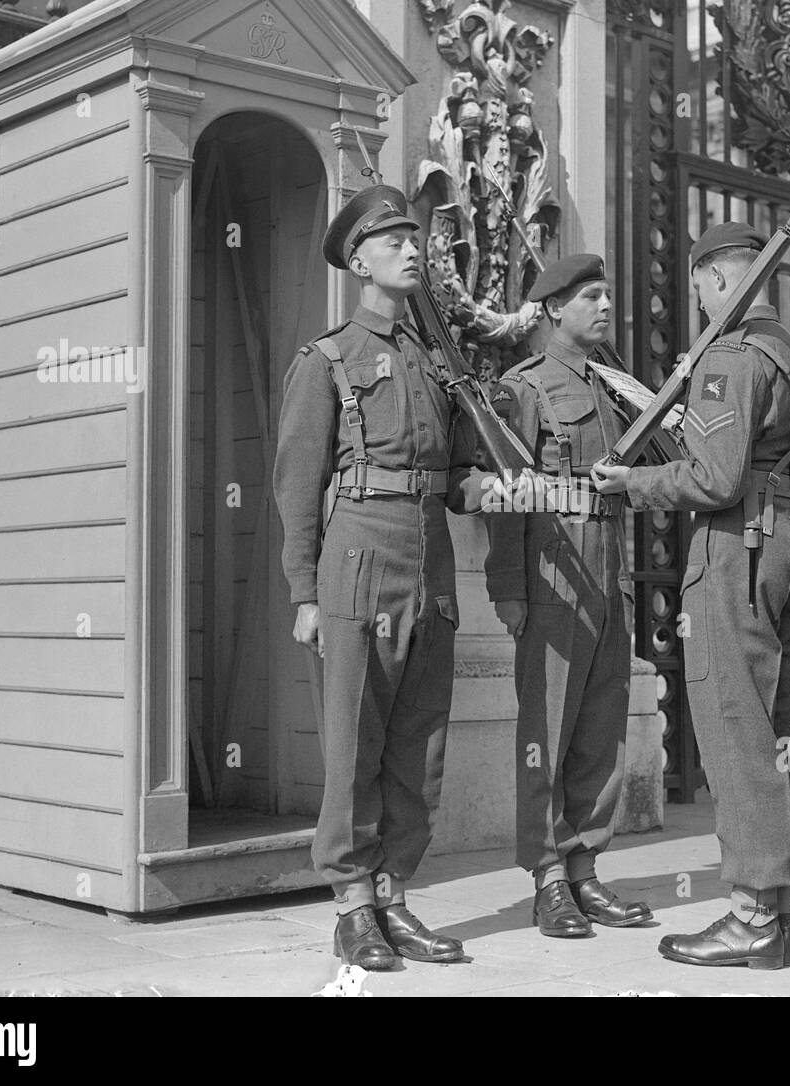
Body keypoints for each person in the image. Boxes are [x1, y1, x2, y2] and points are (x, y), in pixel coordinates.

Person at [273, 184, 518, 970]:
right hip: (358, 561)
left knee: (421, 742)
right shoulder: (329, 360)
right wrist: (304, 593)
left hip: (429, 562)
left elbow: (455, 479)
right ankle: (350, 904)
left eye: (416, 239)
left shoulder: (438, 364)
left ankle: (395, 893)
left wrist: (498, 483)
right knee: (354, 740)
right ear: (358, 258)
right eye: (395, 240)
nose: (413, 250)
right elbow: (295, 485)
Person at [591, 223, 790, 969]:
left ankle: (752, 915)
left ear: (721, 279)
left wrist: (636, 484)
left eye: (698, 287)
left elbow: (716, 480)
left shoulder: (730, 354)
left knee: (736, 730)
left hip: (739, 546)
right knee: (773, 732)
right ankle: (776, 914)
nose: (696, 300)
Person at [485, 254, 653, 937]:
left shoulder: (615, 387)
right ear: (553, 308)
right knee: (547, 731)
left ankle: (586, 870)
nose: (605, 305)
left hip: (609, 565)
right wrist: (510, 587)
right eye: (591, 296)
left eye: (607, 294)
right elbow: (504, 494)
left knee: (600, 729)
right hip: (554, 565)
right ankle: (549, 877)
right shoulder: (522, 387)